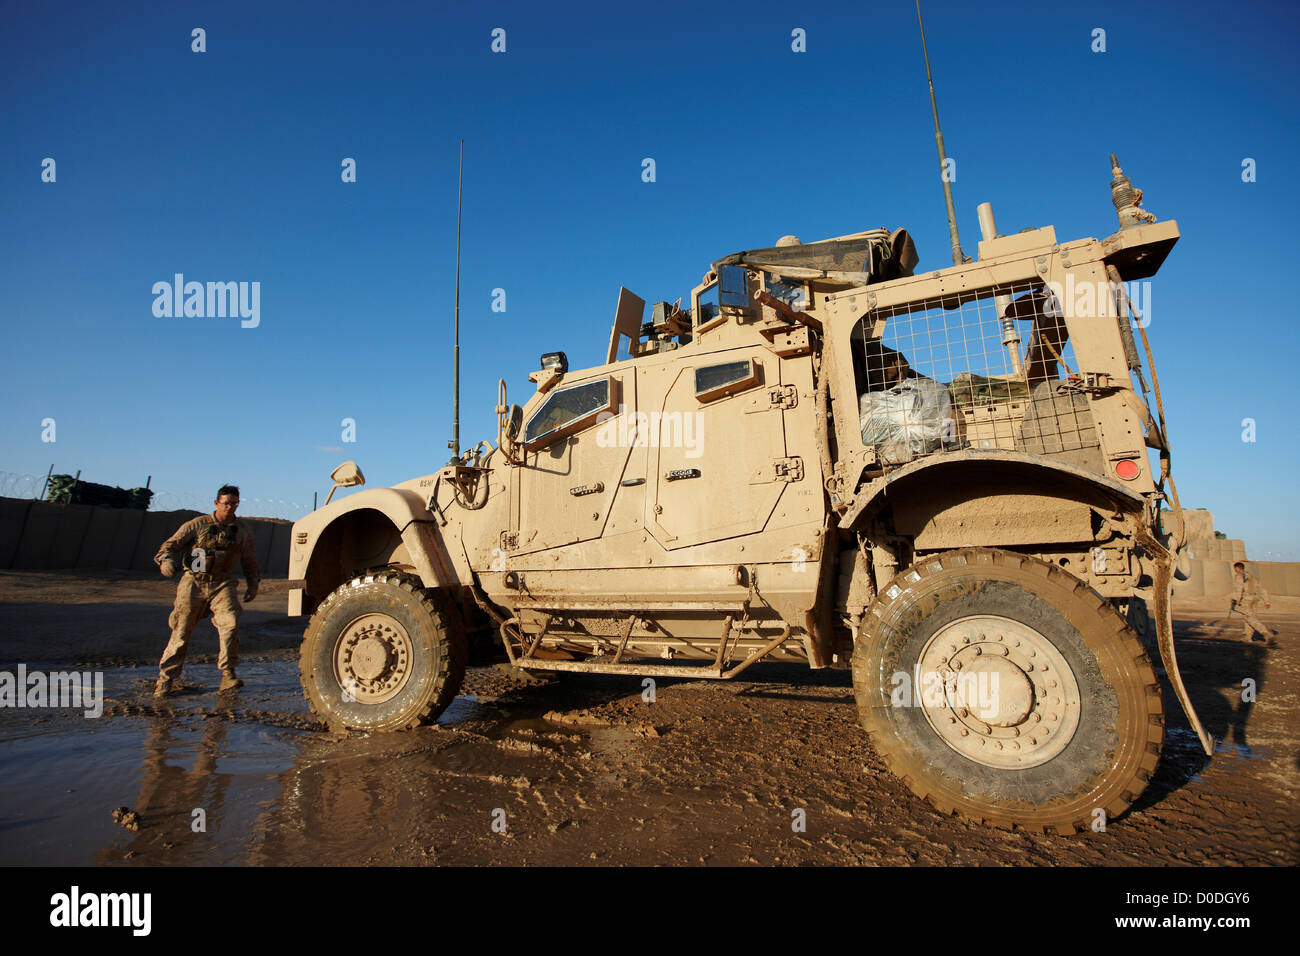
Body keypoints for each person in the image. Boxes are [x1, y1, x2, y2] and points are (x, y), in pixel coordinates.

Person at [153, 485, 260, 696]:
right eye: (226, 503)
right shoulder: (198, 525)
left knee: (230, 624)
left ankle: (228, 674)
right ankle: (166, 679)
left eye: (234, 504)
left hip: (222, 584)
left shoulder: (242, 531)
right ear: (216, 503)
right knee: (181, 630)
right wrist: (165, 561)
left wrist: (253, 583)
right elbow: (170, 546)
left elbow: (249, 559)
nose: (230, 507)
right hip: (194, 582)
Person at [1229, 561, 1277, 646]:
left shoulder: (1239, 576)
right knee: (1249, 617)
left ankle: (1266, 633)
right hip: (1255, 599)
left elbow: (1239, 588)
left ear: (1237, 568)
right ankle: (1248, 637)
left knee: (1249, 618)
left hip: (1246, 600)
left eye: (1235, 568)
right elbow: (1262, 589)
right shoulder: (1252, 576)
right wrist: (1267, 601)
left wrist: (1237, 599)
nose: (1235, 570)